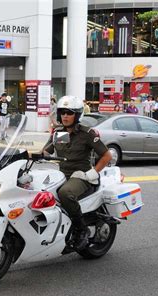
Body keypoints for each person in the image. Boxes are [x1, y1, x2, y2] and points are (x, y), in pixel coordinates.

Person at [42, 96, 112, 251]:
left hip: (82, 176)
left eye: (69, 112)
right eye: (62, 112)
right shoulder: (58, 133)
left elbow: (107, 156)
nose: (65, 116)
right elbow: (46, 151)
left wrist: (93, 173)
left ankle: (81, 229)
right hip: (62, 176)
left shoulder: (87, 134)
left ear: (78, 115)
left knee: (65, 193)